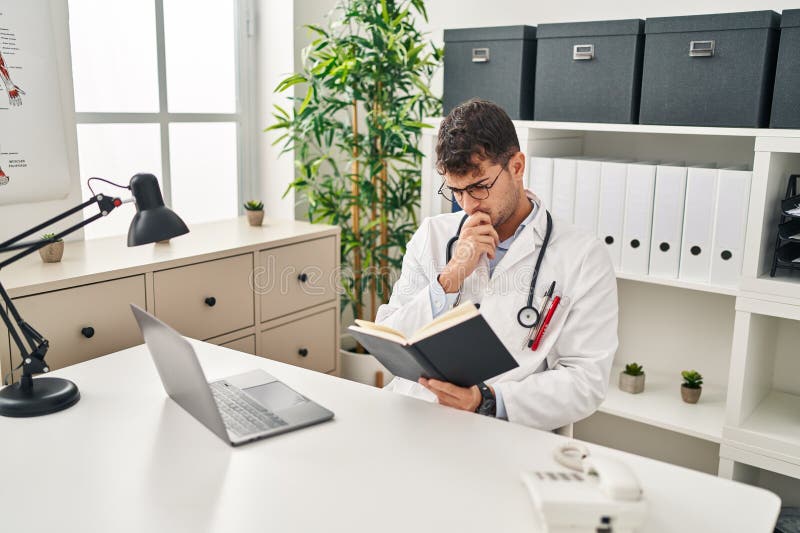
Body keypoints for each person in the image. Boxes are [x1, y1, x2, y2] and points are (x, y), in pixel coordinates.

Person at [374, 99, 618, 431]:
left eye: (479, 186)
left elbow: (586, 380)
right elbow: (392, 338)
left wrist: (486, 400)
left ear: (517, 166)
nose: (468, 205)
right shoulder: (433, 234)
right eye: (456, 191)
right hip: (414, 416)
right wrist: (450, 277)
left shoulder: (583, 256)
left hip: (502, 429)